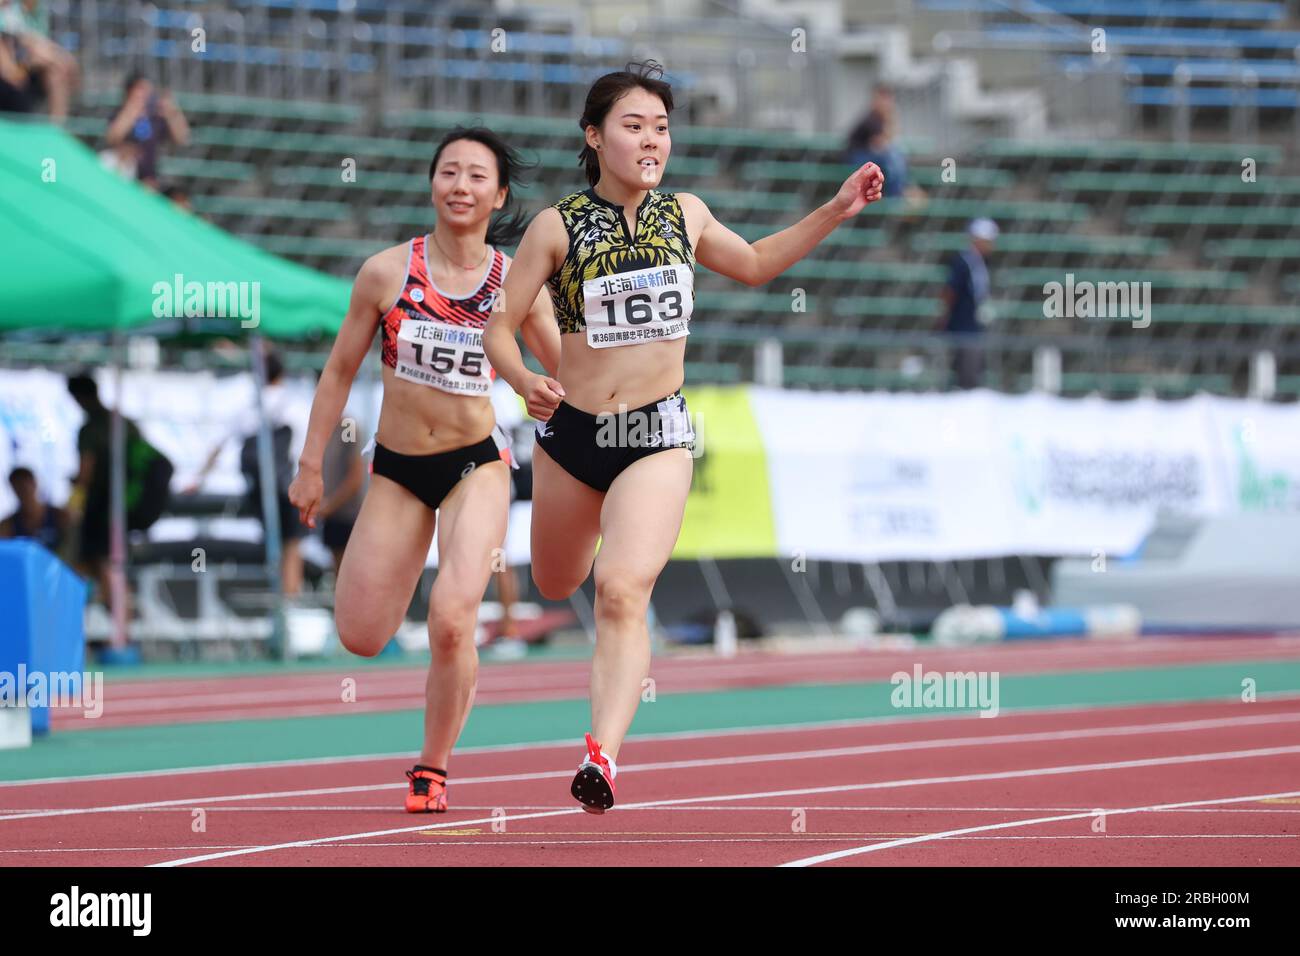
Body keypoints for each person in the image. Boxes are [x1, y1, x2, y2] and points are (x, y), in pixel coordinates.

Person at [483, 60, 884, 814]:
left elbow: (760, 264)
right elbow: (499, 330)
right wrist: (523, 380)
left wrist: (834, 208)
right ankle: (593, 698)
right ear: (595, 137)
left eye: (661, 128)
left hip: (657, 431)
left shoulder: (686, 214)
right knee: (556, 582)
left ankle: (600, 756)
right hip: (573, 435)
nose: (651, 141)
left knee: (622, 590)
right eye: (634, 126)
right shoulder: (556, 226)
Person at [287, 127, 560, 813]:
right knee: (361, 634)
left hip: (476, 464)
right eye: (449, 173)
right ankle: (436, 728)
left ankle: (431, 768)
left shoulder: (513, 282)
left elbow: (564, 366)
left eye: (476, 177)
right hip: (399, 468)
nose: (460, 187)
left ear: (499, 196)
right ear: (432, 184)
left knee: (449, 618)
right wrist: (310, 465)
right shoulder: (385, 273)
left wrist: (545, 387)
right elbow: (339, 372)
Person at [186, 351, 305, 597]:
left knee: (273, 539)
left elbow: (219, 446)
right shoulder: (291, 402)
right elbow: (302, 446)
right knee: (292, 543)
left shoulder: (249, 405)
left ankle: (278, 597)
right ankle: (290, 597)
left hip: (258, 486)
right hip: (286, 484)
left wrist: (198, 479)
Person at [66, 374, 174, 620]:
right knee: (103, 563)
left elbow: (86, 473)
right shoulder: (122, 422)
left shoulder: (92, 428)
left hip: (103, 507)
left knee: (101, 562)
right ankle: (117, 616)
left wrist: (73, 505)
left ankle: (118, 621)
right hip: (126, 505)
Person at [940, 217, 998, 391]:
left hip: (972, 323)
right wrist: (945, 315)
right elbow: (951, 290)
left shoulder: (978, 263)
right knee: (965, 367)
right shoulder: (964, 262)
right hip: (962, 323)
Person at [105, 74, 190, 189]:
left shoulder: (156, 118)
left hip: (148, 180)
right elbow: (113, 138)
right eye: (140, 89)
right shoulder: (120, 113)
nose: (146, 94)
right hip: (123, 175)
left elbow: (182, 138)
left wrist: (173, 113)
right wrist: (132, 110)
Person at [0, 0, 77, 121]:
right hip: (16, 69)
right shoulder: (10, 10)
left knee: (56, 72)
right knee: (55, 67)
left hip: (23, 66)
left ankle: (57, 126)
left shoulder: (37, 11)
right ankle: (57, 125)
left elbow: (35, 41)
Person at [318, 413, 366, 574]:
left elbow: (356, 475)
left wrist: (331, 504)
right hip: (334, 515)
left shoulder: (347, 427)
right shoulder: (325, 430)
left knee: (350, 571)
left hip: (348, 514)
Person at [0, 466, 69, 553]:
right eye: (19, 488)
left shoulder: (60, 516)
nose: (24, 492)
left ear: (35, 483)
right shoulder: (8, 525)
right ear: (13, 489)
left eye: (25, 487)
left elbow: (72, 551)